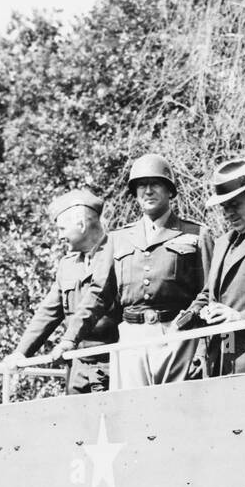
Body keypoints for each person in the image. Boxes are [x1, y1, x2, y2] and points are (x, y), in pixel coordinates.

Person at [54, 154, 213, 388]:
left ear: (169, 191)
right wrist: (70, 338)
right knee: (133, 412)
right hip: (130, 338)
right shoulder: (118, 239)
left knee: (175, 409)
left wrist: (199, 344)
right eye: (141, 186)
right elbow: (99, 294)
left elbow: (210, 292)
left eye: (155, 184)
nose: (147, 191)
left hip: (178, 334)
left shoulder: (196, 235)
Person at [1, 188, 117, 394]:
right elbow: (48, 312)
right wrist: (21, 352)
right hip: (77, 367)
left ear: (81, 225)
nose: (59, 236)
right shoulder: (67, 265)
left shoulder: (118, 253)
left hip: (113, 361)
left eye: (62, 229)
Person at [183, 159, 245, 376]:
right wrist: (192, 313)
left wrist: (239, 317)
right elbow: (209, 292)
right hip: (220, 357)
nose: (228, 213)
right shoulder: (223, 243)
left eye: (235, 204)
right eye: (224, 207)